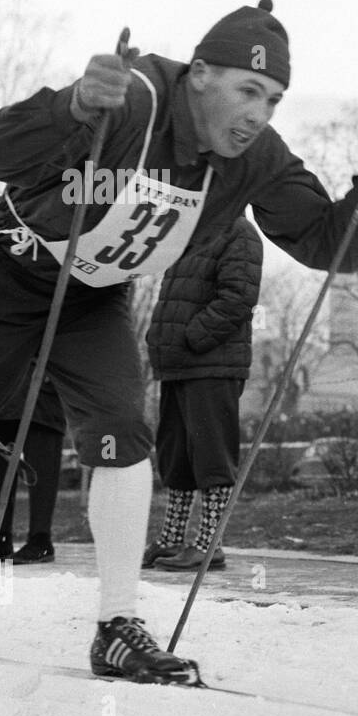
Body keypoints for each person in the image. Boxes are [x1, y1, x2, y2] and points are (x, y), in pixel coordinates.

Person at [0, 0, 358, 681]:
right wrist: (74, 107)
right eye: (247, 91)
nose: (258, 115)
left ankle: (118, 627)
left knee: (123, 431)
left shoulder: (256, 157)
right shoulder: (137, 97)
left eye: (272, 99)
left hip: (90, 300)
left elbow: (333, 245)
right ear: (200, 75)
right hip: (5, 272)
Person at [142, 215, 262, 572]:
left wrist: (192, 338)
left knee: (213, 455)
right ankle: (173, 537)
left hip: (212, 364)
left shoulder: (237, 231)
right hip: (179, 365)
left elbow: (238, 297)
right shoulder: (191, 231)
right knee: (176, 454)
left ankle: (210, 544)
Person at [0, 366, 67, 564]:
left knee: (42, 456)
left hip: (42, 386)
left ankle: (40, 538)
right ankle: (0, 538)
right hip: (3, 384)